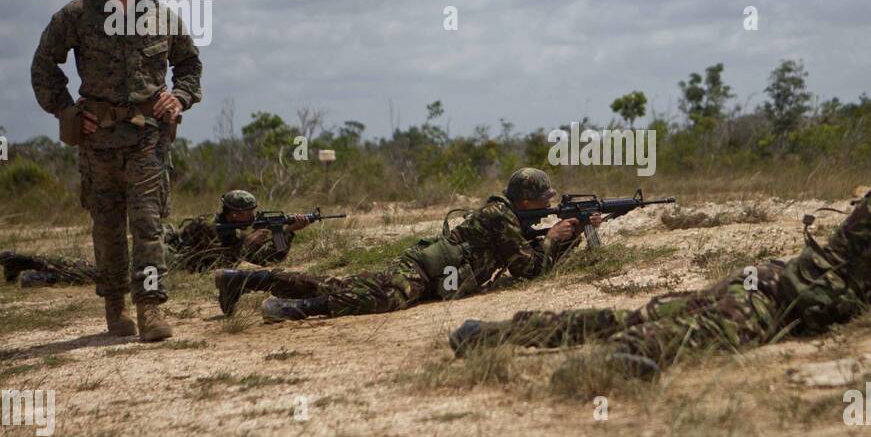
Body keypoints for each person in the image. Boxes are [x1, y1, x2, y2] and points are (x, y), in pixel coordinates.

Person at [448, 131, 871, 379]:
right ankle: (600, 371)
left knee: (637, 314)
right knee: (676, 336)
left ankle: (495, 335)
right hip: (786, 302)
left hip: (771, 286)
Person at [30, 0, 202, 341]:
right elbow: (44, 67)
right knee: (107, 227)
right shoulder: (77, 14)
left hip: (147, 138)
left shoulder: (162, 16)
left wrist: (178, 97)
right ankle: (115, 307)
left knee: (147, 224)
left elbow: (190, 67)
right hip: (98, 142)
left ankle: (150, 309)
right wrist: (68, 110)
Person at [213, 168, 600, 321]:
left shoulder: (510, 217)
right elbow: (528, 268)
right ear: (527, 200)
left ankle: (248, 281)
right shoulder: (500, 216)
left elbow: (534, 262)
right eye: (544, 200)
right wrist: (553, 237)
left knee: (343, 286)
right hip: (425, 269)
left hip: (434, 274)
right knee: (385, 298)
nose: (549, 205)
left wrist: (573, 234)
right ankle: (291, 308)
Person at [0, 190, 310, 286]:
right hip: (159, 261)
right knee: (105, 274)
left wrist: (286, 233)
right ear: (233, 214)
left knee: (102, 272)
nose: (253, 218)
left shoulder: (232, 229)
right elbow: (247, 255)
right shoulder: (210, 229)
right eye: (248, 214)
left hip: (163, 259)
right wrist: (271, 233)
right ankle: (31, 270)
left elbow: (270, 258)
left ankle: (28, 269)